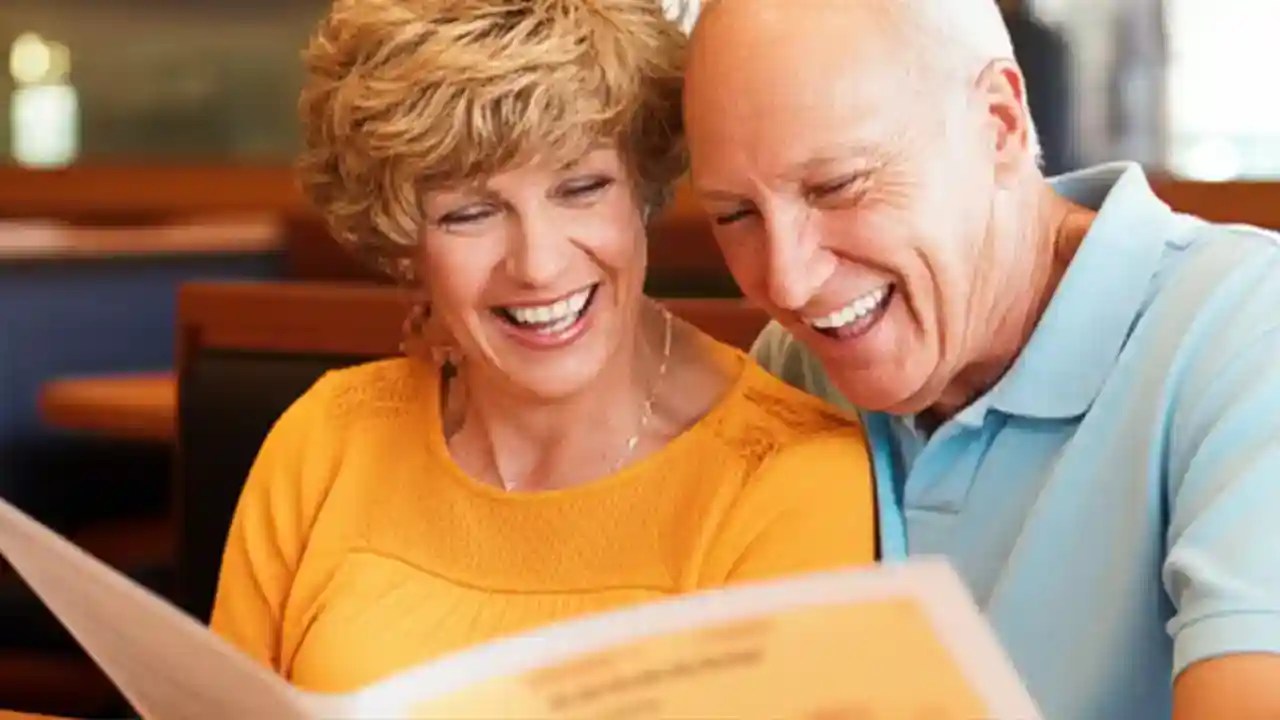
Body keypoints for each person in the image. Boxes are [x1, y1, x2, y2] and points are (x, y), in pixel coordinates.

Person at [208, 0, 877, 695]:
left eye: (582, 189)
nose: (538, 264)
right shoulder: (325, 442)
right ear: (406, 240)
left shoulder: (794, 485)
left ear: (643, 190)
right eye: (470, 213)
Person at [682, 1, 1280, 718]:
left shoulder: (1244, 331)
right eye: (734, 215)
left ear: (998, 124)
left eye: (837, 186)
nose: (787, 283)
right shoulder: (799, 363)